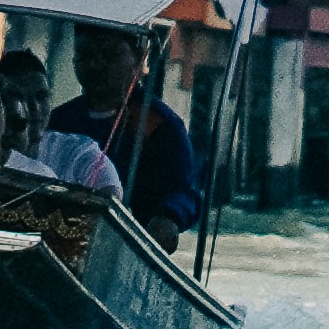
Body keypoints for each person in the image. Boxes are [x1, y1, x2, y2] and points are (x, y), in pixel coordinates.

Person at [30, 24, 208, 238]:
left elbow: (185, 190)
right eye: (85, 55)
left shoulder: (158, 124)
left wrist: (168, 218)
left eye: (109, 55)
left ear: (139, 57)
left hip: (129, 241)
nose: (96, 65)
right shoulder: (60, 119)